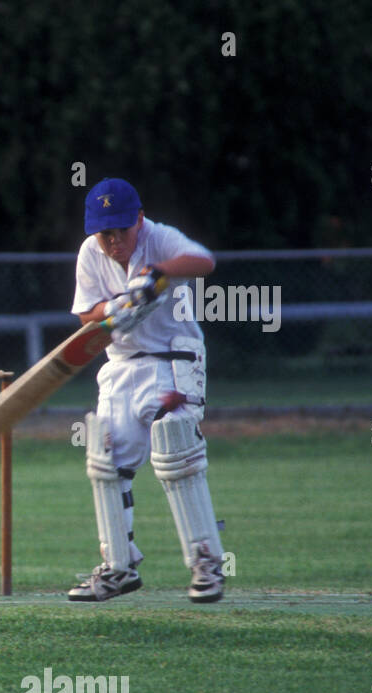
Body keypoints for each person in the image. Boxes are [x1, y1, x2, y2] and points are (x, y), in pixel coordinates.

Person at [68, 178, 225, 603]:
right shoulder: (89, 253)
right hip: (119, 365)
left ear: (139, 218)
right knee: (106, 459)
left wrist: (158, 273)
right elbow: (87, 314)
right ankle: (119, 567)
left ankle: (207, 564)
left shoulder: (159, 237)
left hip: (173, 357)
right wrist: (115, 307)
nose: (114, 240)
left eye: (122, 229)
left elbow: (204, 262)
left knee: (175, 449)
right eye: (105, 233)